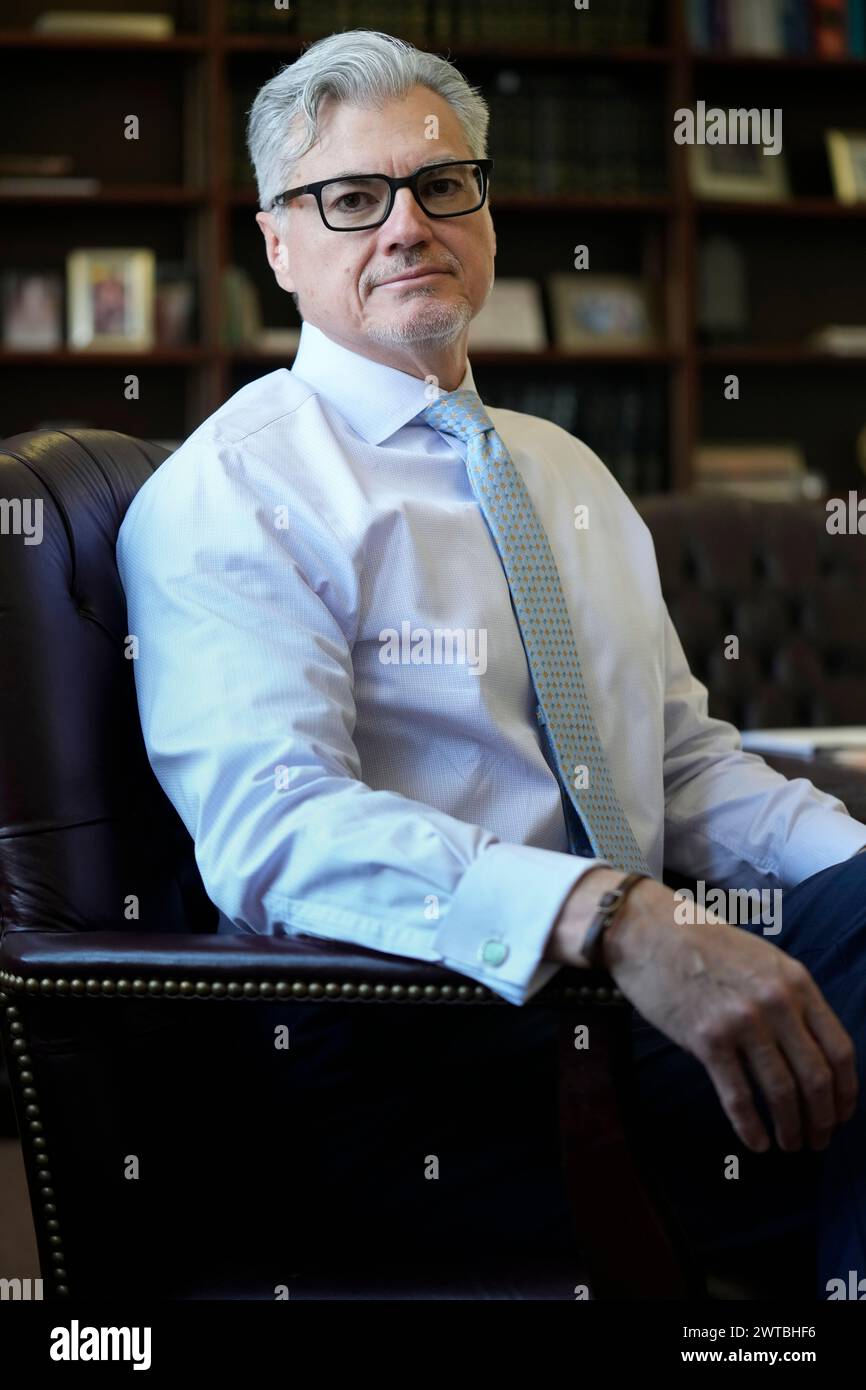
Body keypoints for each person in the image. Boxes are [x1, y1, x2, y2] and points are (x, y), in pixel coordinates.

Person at [116, 30, 866, 1297]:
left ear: (487, 216)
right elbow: (272, 829)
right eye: (351, 199)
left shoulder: (559, 468)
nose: (405, 224)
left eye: (440, 184)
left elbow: (680, 765)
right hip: (425, 1043)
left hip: (621, 1017)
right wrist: (614, 917)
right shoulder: (233, 491)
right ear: (277, 245)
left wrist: (848, 867)